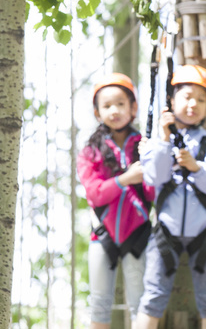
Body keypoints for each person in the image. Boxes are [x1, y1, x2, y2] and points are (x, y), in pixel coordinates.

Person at [135, 65, 206, 329]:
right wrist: (165, 141)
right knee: (153, 298)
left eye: (201, 100)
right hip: (165, 231)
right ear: (172, 100)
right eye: (187, 97)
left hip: (204, 233)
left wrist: (196, 168)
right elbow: (153, 177)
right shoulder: (156, 143)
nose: (194, 104)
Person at [77, 73, 155, 329]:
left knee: (140, 303)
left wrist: (153, 161)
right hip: (103, 235)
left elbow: (154, 191)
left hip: (138, 235)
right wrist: (126, 179)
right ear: (97, 112)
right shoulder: (91, 151)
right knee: (99, 303)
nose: (114, 111)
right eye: (107, 105)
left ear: (133, 108)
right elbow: (95, 192)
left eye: (121, 104)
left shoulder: (145, 146)